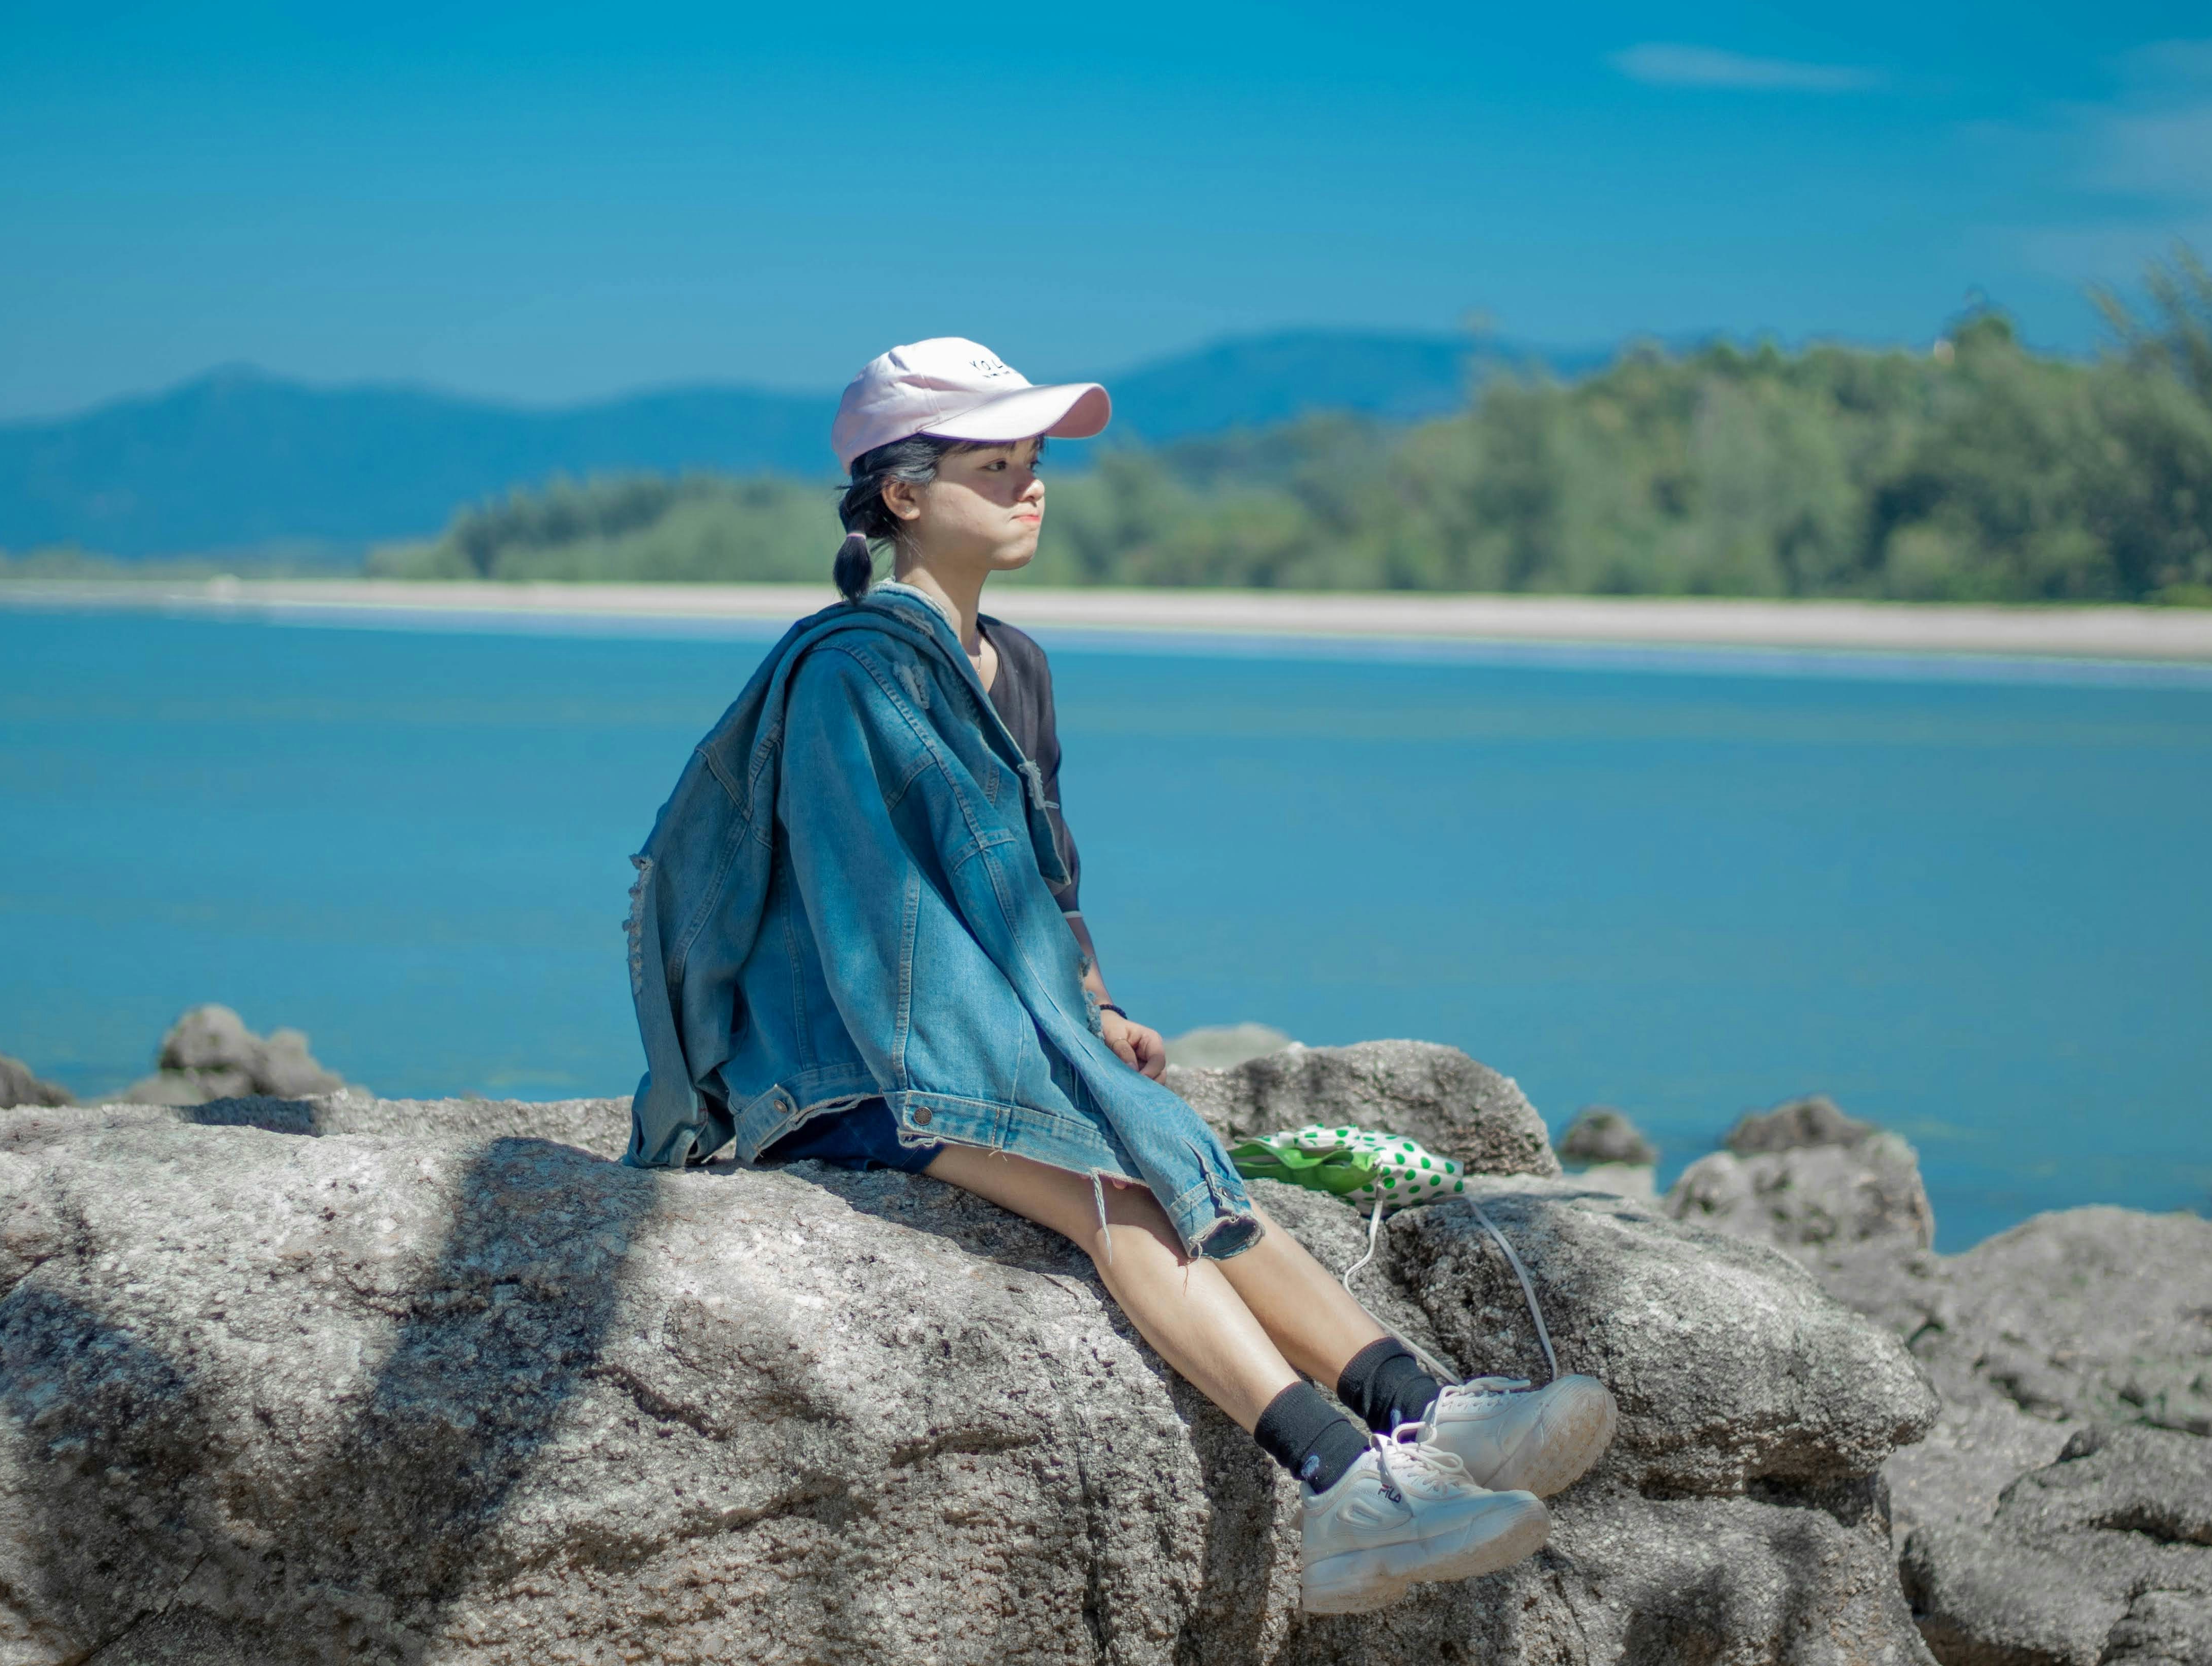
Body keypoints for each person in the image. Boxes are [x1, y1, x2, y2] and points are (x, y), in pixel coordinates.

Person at [624, 337, 1617, 1614]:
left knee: (1165, 1137)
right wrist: (1037, 1064)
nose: (1031, 489)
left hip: (964, 1021)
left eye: (1035, 466)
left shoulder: (1015, 664)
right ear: (905, 494)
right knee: (1116, 1188)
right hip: (846, 1060)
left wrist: (1089, 1009)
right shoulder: (852, 671)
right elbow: (874, 915)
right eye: (997, 466)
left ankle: (1420, 1408)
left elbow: (1043, 882)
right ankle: (1337, 1494)